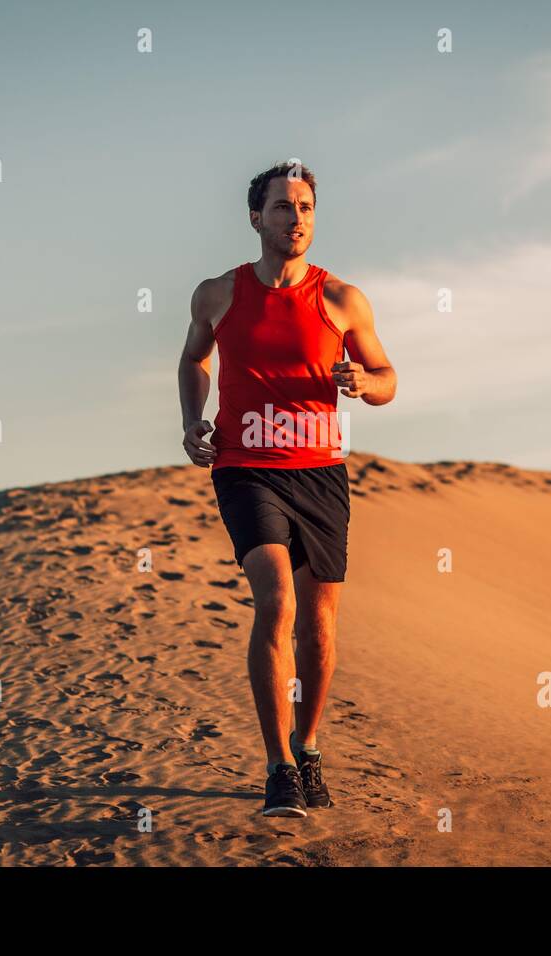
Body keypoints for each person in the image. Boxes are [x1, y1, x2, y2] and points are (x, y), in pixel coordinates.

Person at [177, 161, 397, 816]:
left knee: (320, 628)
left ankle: (307, 748)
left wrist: (362, 381)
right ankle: (277, 768)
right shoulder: (218, 293)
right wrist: (193, 419)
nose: (295, 219)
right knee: (275, 601)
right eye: (282, 208)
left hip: (321, 472)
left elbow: (387, 377)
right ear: (255, 218)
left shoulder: (342, 300)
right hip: (245, 467)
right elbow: (195, 357)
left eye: (304, 208)